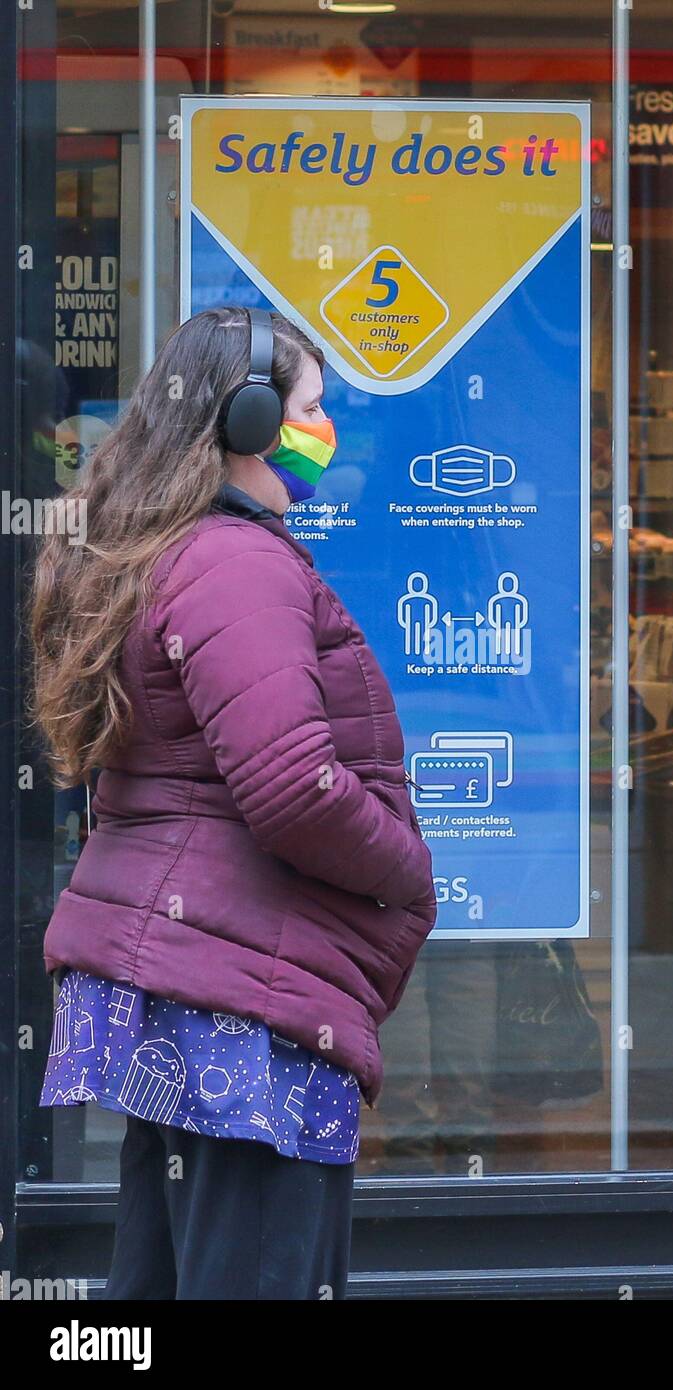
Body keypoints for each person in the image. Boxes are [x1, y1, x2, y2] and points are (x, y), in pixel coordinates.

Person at [29, 306, 437, 1300]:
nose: (323, 430)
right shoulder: (234, 561)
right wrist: (408, 874)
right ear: (248, 423)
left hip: (194, 990)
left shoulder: (163, 550)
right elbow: (294, 788)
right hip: (246, 1007)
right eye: (310, 408)